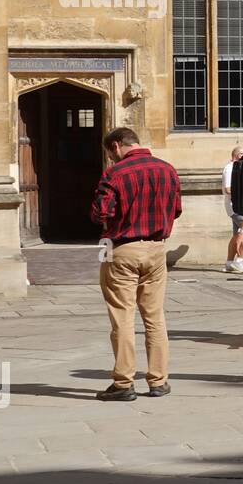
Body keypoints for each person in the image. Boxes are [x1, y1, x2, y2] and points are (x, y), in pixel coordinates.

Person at [90, 127, 182, 401]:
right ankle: (158, 380)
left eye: (110, 153)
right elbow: (176, 209)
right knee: (155, 318)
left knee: (123, 318)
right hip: (156, 248)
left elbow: (100, 212)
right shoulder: (168, 169)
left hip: (123, 249)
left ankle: (123, 383)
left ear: (117, 146)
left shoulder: (115, 173)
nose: (111, 158)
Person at [222, 146, 243, 273]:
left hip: (237, 207)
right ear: (237, 155)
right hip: (236, 207)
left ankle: (230, 262)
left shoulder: (238, 167)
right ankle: (239, 261)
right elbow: (228, 189)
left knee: (237, 234)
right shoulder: (231, 168)